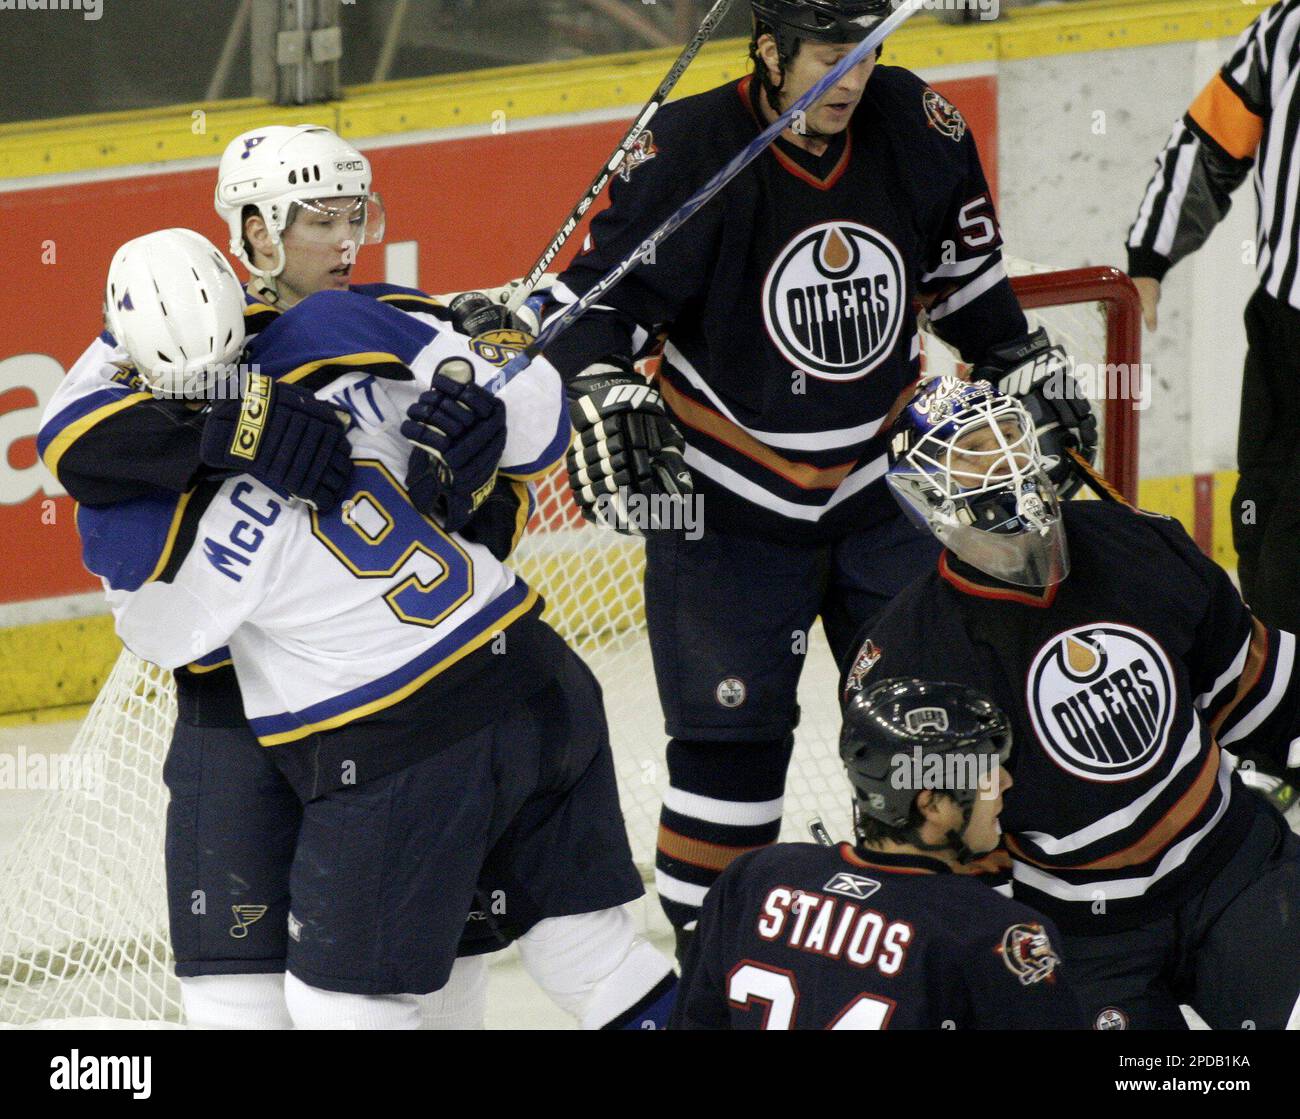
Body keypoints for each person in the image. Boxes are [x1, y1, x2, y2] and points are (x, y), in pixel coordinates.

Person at [540, 0, 1094, 946]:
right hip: (723, 513)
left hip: (885, 498)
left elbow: (965, 288)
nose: (853, 80)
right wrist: (595, 380)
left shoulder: (917, 127)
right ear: (769, 52)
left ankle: (973, 956)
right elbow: (594, 314)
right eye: (832, 60)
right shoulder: (690, 149)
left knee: (944, 741)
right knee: (730, 762)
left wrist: (1013, 356)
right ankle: (721, 976)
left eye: (867, 57)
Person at [78, 229, 676, 1030]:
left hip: (398, 737)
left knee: (338, 1005)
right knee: (592, 955)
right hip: (536, 676)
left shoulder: (138, 498)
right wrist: (483, 401)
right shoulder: (346, 348)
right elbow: (528, 423)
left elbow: (164, 634)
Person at [37, 124, 548, 1028]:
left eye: (359, 214)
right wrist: (234, 428)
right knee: (236, 1002)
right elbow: (75, 442)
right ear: (257, 231)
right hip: (231, 714)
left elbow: (492, 502)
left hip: (381, 713)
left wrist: (478, 478)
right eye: (322, 220)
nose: (350, 241)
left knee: (420, 983)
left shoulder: (392, 317)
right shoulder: (178, 316)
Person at [841, 375, 1300, 1029]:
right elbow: (944, 861)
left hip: (1235, 871)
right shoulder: (911, 664)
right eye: (973, 450)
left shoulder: (1135, 541)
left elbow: (1257, 687)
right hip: (1078, 941)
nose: (1004, 459)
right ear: (925, 497)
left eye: (1006, 433)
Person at [672, 676, 1086, 1029]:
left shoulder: (756, 876)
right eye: (989, 774)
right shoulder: (996, 934)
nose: (1008, 782)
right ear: (933, 804)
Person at [1126, 0, 1300, 635]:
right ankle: (1278, 702)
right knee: (1262, 520)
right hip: (1287, 331)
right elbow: (1211, 138)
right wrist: (1151, 253)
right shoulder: (1288, 29)